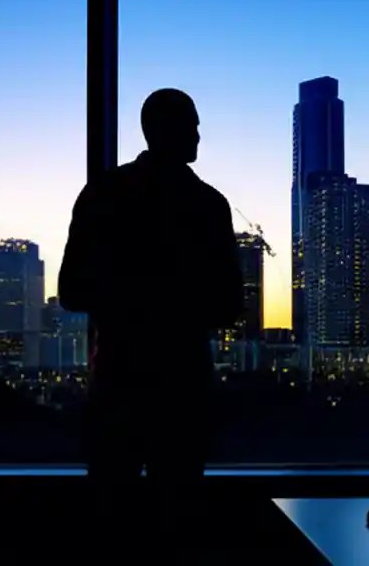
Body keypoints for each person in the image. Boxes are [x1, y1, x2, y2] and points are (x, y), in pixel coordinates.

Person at [58, 88, 242, 544]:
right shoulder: (208, 206)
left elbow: (70, 291)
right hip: (183, 386)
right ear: (166, 130)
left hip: (118, 380)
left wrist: (126, 299)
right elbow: (230, 305)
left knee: (109, 521)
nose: (199, 135)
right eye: (192, 124)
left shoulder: (103, 194)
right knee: (177, 521)